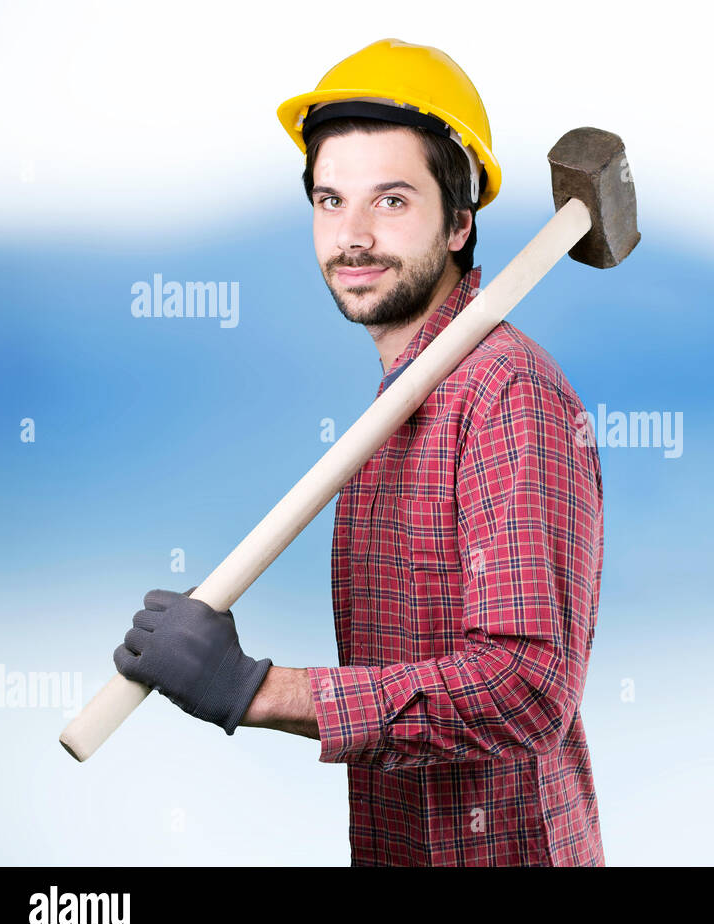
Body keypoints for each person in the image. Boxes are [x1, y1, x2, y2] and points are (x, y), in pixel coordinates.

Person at [113, 39, 606, 867]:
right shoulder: (403, 403)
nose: (352, 236)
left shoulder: (507, 395)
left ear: (458, 223)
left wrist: (256, 688)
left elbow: (527, 690)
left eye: (391, 201)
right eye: (330, 199)